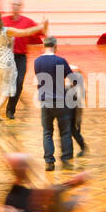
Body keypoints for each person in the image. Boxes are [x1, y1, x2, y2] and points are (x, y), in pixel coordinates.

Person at [0, 9, 48, 121]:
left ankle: (1, 109)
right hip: (6, 60)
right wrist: (41, 26)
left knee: (5, 86)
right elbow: (26, 32)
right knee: (9, 88)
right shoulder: (7, 31)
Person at [34, 37, 77, 171]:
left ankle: (49, 162)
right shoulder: (60, 61)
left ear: (43, 45)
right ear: (56, 46)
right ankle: (65, 160)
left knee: (47, 132)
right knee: (65, 131)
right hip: (60, 100)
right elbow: (73, 80)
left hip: (45, 101)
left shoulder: (37, 61)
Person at [2, 0, 42, 118]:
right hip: (7, 56)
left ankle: (10, 110)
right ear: (11, 6)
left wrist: (44, 27)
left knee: (19, 82)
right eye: (13, 4)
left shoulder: (27, 22)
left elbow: (40, 31)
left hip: (20, 57)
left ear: (21, 7)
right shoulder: (3, 21)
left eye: (18, 5)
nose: (15, 7)